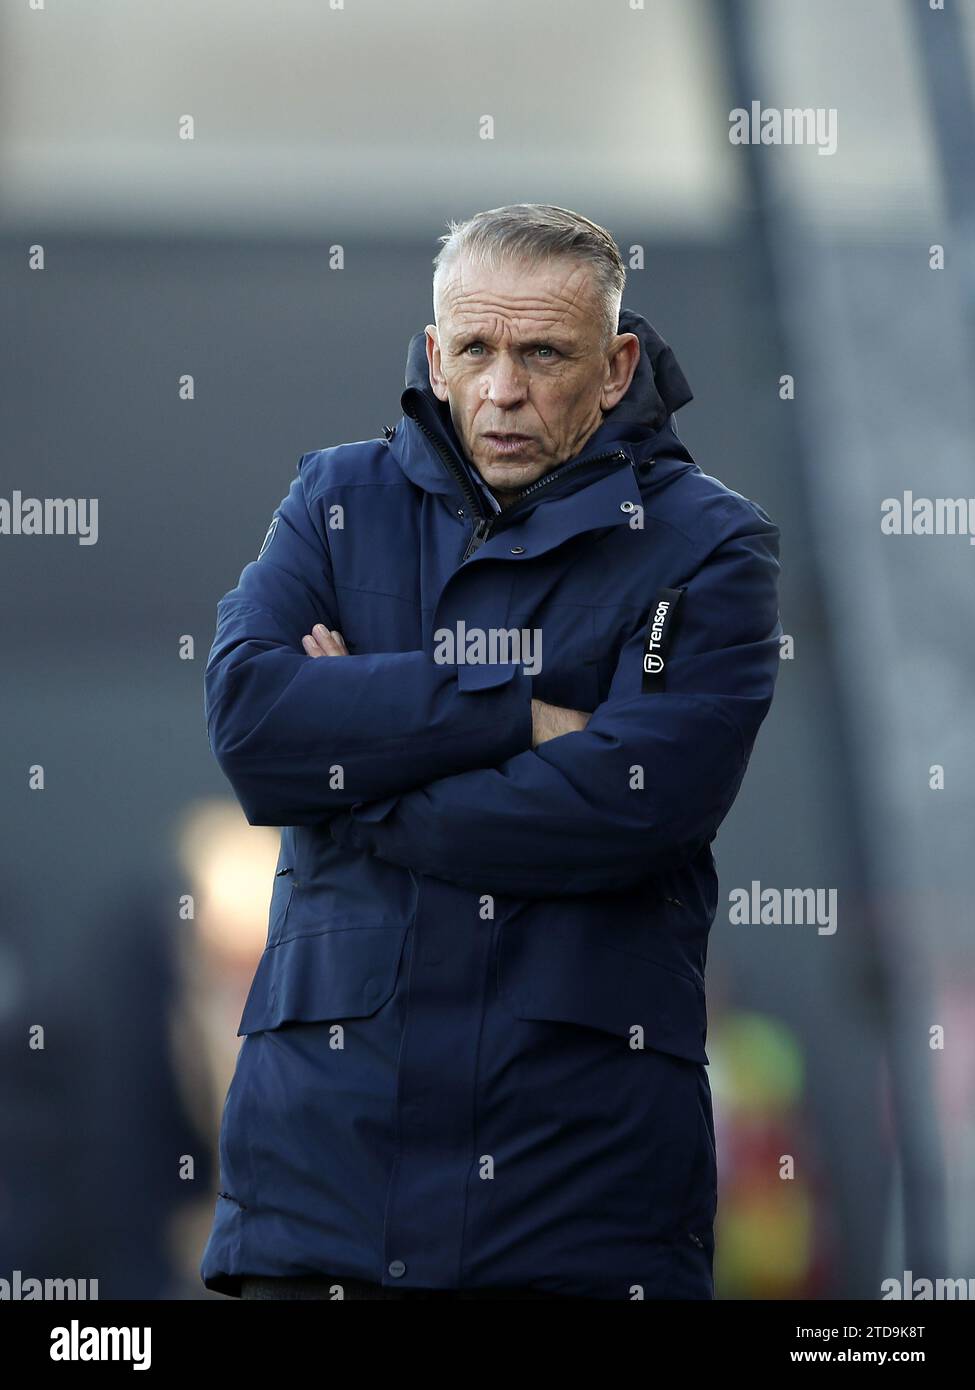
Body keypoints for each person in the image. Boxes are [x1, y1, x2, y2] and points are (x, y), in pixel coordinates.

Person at [198, 203, 782, 1300]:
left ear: (614, 368)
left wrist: (358, 779)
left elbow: (635, 800)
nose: (502, 389)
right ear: (435, 352)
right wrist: (513, 712)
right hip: (321, 1208)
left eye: (543, 354)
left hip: (578, 1211)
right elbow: (253, 726)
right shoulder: (333, 500)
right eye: (475, 350)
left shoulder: (711, 546)